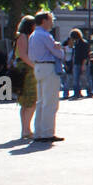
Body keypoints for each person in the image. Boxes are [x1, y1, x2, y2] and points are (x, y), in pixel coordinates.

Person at [27, 13, 67, 143]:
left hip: (38, 66)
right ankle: (47, 132)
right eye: (51, 20)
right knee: (50, 102)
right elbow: (58, 54)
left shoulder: (33, 35)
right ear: (44, 21)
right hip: (48, 67)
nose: (52, 23)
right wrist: (59, 48)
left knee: (41, 101)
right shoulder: (45, 35)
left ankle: (38, 132)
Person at [11, 17, 37, 139]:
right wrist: (35, 66)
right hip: (26, 70)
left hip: (24, 69)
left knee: (25, 102)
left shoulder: (21, 36)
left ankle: (25, 129)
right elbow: (23, 55)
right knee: (31, 100)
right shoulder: (23, 36)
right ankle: (26, 130)